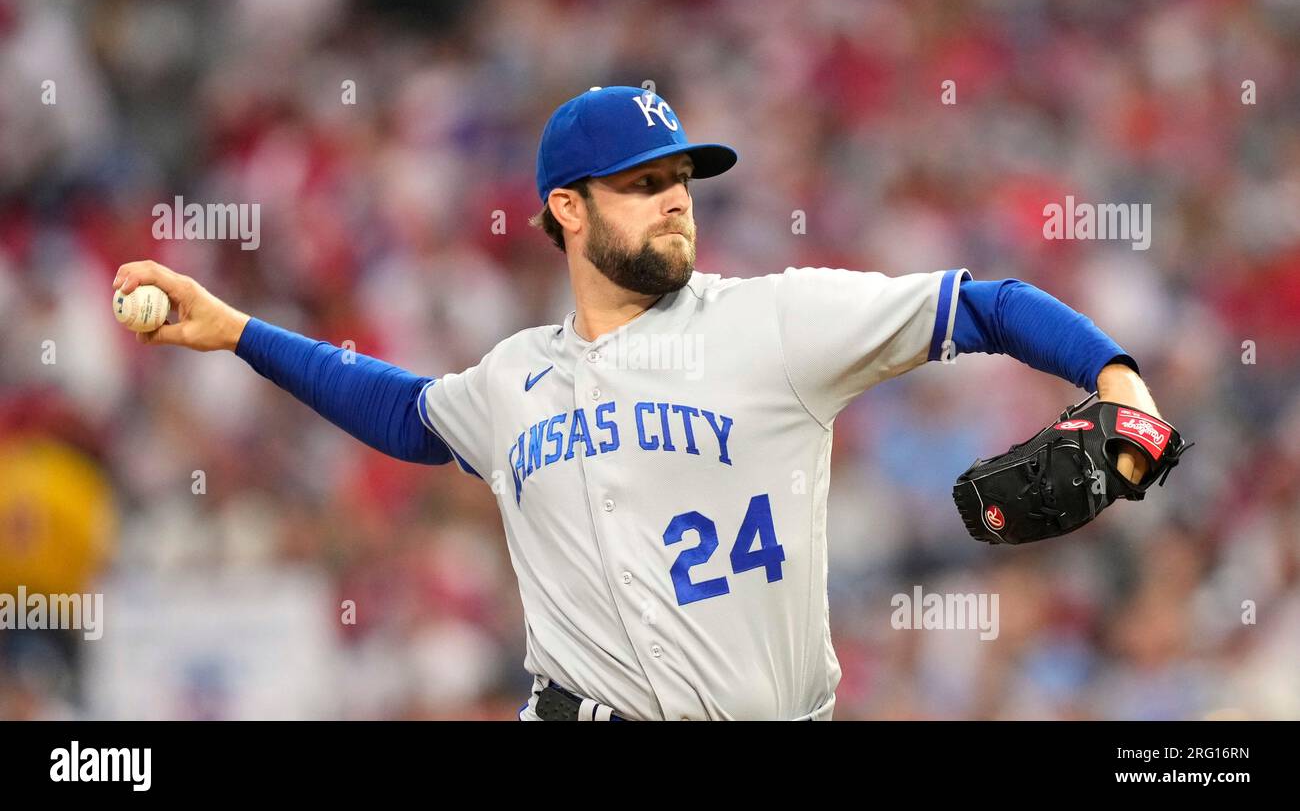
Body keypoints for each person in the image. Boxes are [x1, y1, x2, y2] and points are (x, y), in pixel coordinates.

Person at [113, 86, 1162, 721]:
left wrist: (1116, 379)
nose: (673, 196)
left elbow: (986, 305)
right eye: (640, 179)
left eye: (681, 177)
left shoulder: (778, 323)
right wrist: (237, 331)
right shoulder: (512, 377)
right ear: (567, 208)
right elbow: (404, 411)